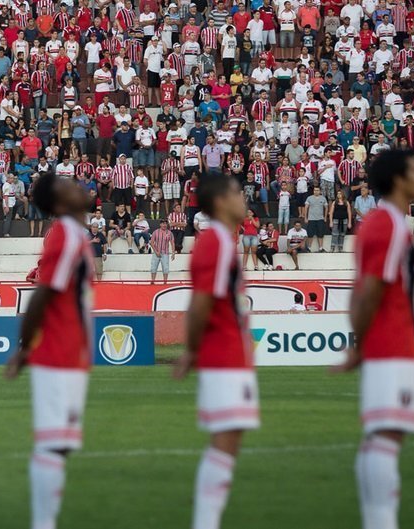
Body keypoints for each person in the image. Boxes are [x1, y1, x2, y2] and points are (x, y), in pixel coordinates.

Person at [331, 149, 414, 529]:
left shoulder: (384, 223)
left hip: (392, 345)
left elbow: (361, 291)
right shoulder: (388, 225)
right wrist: (362, 343)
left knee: (383, 438)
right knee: (386, 438)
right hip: (390, 346)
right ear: (400, 179)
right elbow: (370, 290)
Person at [5, 171, 94, 529]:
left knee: (61, 445)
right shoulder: (65, 236)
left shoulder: (75, 235)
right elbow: (43, 291)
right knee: (52, 444)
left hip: (71, 353)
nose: (78, 186)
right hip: (57, 352)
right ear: (59, 203)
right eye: (68, 186)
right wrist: (26, 347)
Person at [173, 173, 259, 529]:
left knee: (229, 441)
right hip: (223, 358)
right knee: (225, 441)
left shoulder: (224, 241)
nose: (245, 199)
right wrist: (193, 351)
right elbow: (201, 303)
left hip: (231, 355)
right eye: (238, 193)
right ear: (222, 202)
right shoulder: (216, 243)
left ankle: (208, 518)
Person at [149, 220, 176, 284]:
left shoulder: (170, 233)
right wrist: (156, 252)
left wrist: (173, 253)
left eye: (166, 224)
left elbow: (172, 243)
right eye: (163, 224)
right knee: (153, 268)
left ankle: (165, 282)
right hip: (156, 253)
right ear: (160, 224)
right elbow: (152, 242)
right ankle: (152, 282)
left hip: (165, 253)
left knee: (166, 268)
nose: (164, 225)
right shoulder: (155, 232)